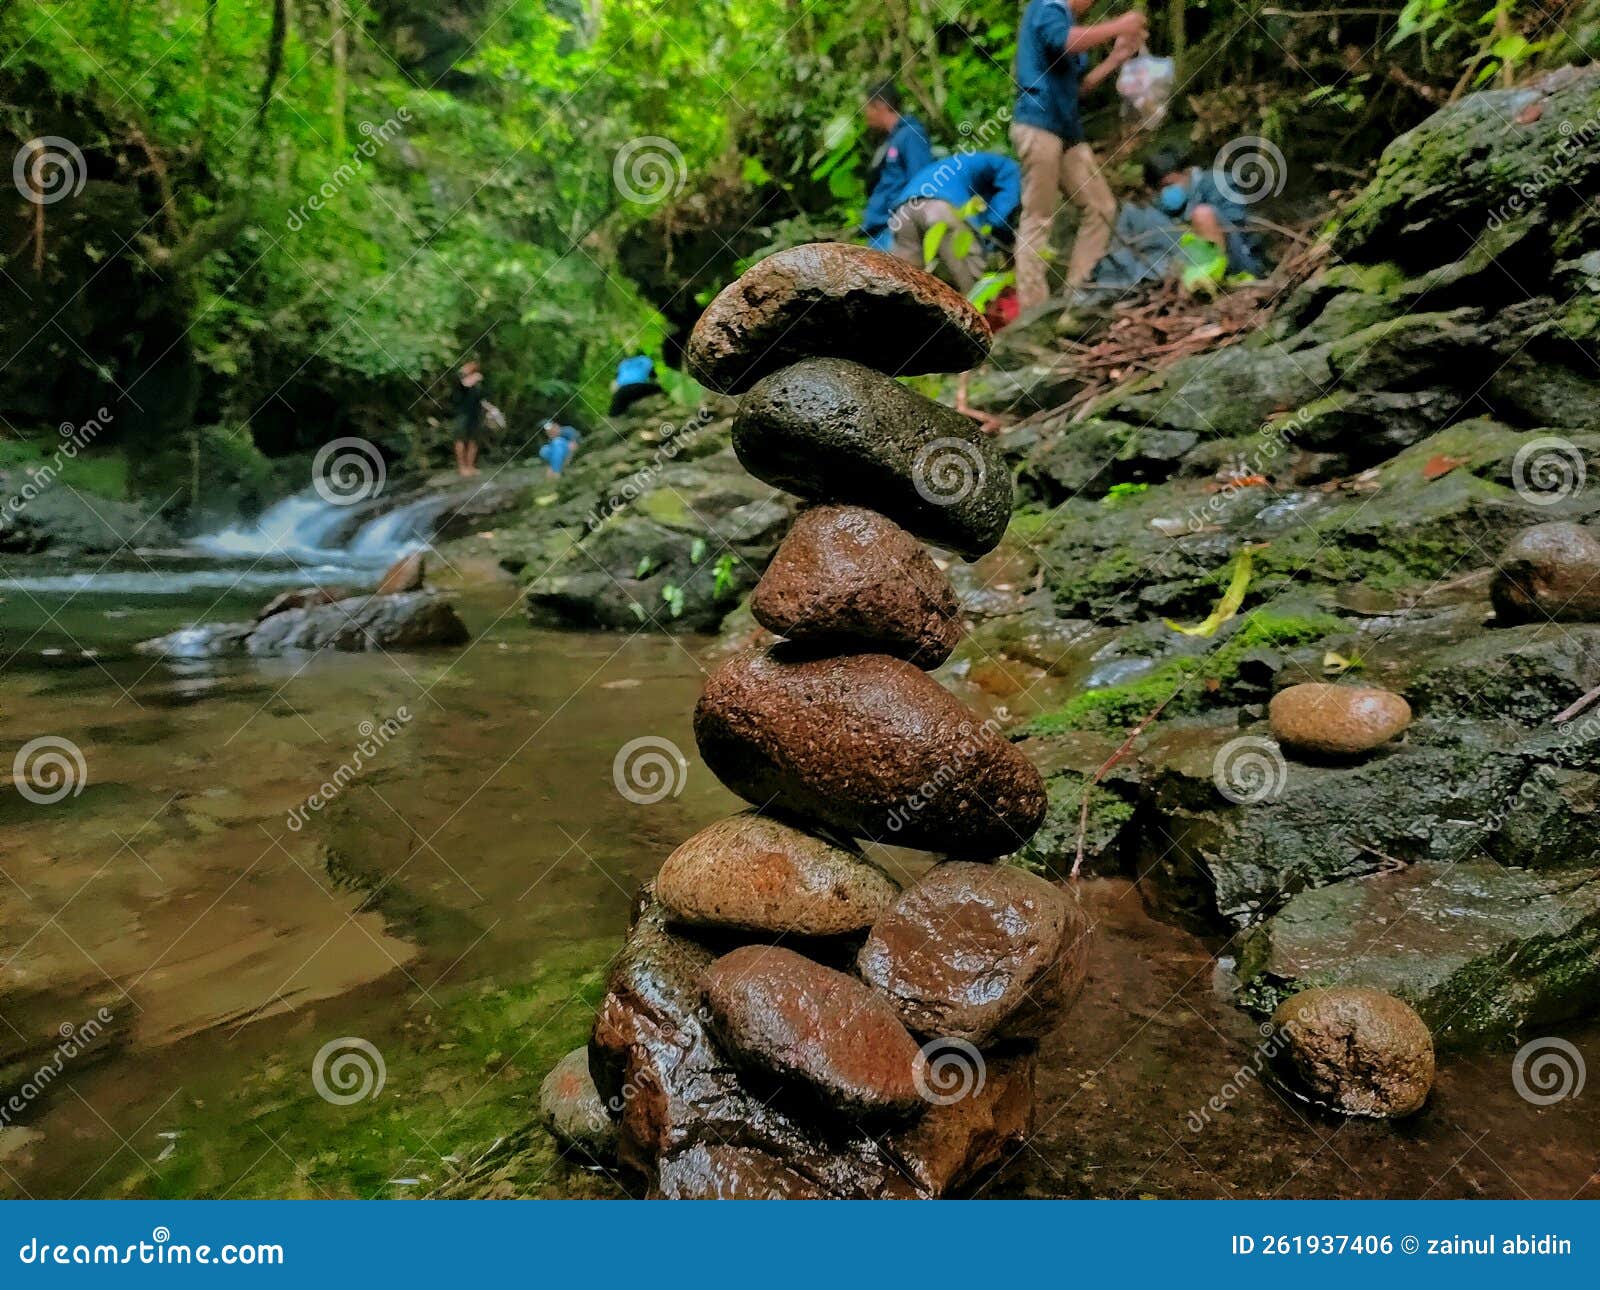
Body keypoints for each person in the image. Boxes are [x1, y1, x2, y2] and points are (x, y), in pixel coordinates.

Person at [1010, 0, 1147, 310]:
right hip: (1038, 125)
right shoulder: (1047, 7)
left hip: (1067, 133)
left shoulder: (1066, 21)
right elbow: (1065, 41)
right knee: (1038, 218)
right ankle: (1033, 312)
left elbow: (1080, 88)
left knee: (1101, 207)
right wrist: (1119, 26)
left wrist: (1116, 58)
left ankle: (1078, 296)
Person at [888, 151, 1022, 295]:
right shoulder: (1010, 168)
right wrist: (1000, 232)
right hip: (939, 207)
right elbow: (1003, 210)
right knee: (970, 278)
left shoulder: (961, 164)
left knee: (906, 281)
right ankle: (978, 315)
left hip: (903, 213)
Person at [1142, 147, 1269, 279]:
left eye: (1169, 184)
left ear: (1186, 172)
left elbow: (1238, 228)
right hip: (1189, 268)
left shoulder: (1218, 184)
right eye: (1160, 188)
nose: (1165, 191)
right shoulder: (1163, 207)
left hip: (1239, 259)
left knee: (1203, 215)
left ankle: (1214, 280)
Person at [860, 82, 934, 252]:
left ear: (879, 106)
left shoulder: (910, 135)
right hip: (882, 231)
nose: (865, 114)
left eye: (867, 107)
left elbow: (922, 183)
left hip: (895, 230)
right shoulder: (892, 139)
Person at [451, 359, 487, 477]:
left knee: (473, 441)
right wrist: (470, 374)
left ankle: (470, 466)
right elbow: (464, 383)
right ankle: (462, 468)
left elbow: (481, 398)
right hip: (462, 414)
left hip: (475, 415)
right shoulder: (459, 379)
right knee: (460, 440)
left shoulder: (477, 382)